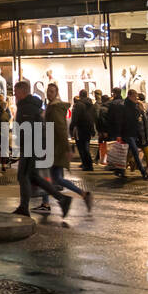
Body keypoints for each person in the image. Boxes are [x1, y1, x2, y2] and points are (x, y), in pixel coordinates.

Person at [11, 80, 72, 219]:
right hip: (33, 146)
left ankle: (24, 207)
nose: (14, 94)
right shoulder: (28, 105)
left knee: (23, 176)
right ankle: (62, 199)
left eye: (16, 91)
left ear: (22, 91)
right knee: (33, 176)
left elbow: (32, 129)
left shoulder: (27, 107)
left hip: (32, 146)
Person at [38, 84, 92, 212]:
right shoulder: (51, 106)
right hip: (53, 147)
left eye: (52, 91)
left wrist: (67, 148)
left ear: (56, 93)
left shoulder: (55, 108)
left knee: (46, 176)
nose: (49, 93)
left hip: (54, 148)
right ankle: (83, 194)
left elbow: (61, 129)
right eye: (48, 91)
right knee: (55, 178)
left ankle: (46, 204)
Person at [119, 89, 148, 180]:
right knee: (135, 152)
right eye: (135, 96)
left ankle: (120, 170)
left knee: (129, 153)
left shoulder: (133, 105)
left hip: (134, 133)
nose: (137, 98)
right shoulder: (126, 106)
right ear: (130, 96)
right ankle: (143, 172)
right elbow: (129, 119)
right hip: (128, 133)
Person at [69, 90, 95, 171]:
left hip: (80, 128)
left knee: (81, 148)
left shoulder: (79, 105)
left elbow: (75, 118)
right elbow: (93, 117)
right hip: (88, 128)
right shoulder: (91, 105)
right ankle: (88, 164)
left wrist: (71, 128)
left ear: (80, 95)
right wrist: (92, 129)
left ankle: (86, 164)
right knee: (86, 147)